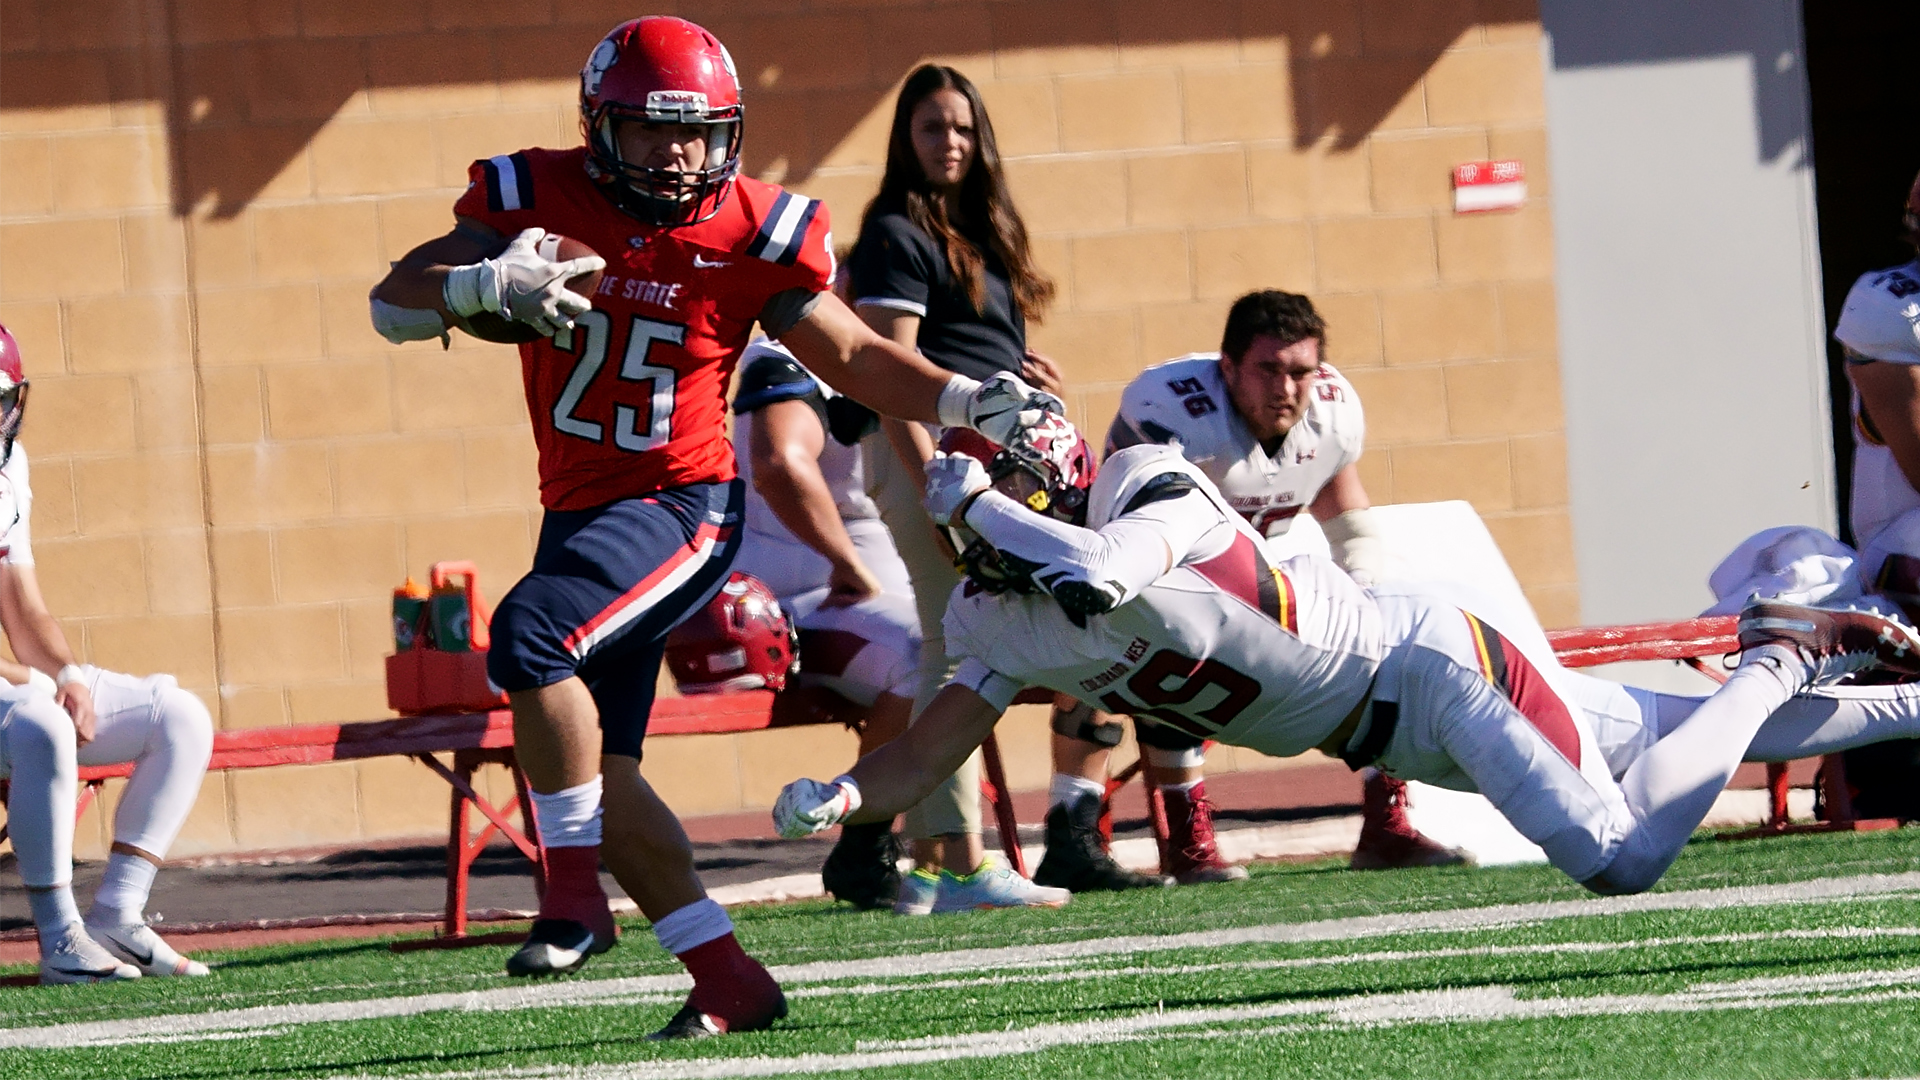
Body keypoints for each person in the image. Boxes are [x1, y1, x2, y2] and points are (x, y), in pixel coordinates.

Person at [366, 17, 1060, 1039]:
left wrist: (967, 399)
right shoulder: (534, 197)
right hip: (581, 515)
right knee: (598, 771)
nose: (676, 153)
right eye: (650, 130)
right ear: (599, 125)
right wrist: (480, 284)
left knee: (527, 637)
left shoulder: (752, 226)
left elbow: (857, 357)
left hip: (684, 505)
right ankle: (729, 979)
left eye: (697, 133)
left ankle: (568, 898)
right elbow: (393, 302)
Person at [773, 419, 1920, 899]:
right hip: (1382, 726)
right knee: (1670, 739)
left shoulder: (1146, 483)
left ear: (1042, 483)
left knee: (1618, 854)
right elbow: (927, 751)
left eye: (988, 508)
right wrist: (843, 799)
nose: (968, 536)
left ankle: (1772, 654)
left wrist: (988, 503)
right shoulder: (987, 612)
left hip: (1424, 666)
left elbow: (1102, 575)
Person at [1035, 291, 1459, 895]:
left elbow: (1349, 521)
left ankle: (1387, 824)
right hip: (1164, 584)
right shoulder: (1172, 416)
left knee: (1382, 652)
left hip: (1271, 584)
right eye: (1268, 369)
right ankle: (1182, 842)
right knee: (1172, 648)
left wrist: (1374, 609)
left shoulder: (1330, 414)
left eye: (1300, 372)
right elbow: (1133, 547)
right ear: (1227, 368)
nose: (1286, 388)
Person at [849, 63, 1079, 911]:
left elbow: (975, 357)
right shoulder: (895, 234)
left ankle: (945, 852)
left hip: (988, 464)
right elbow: (886, 376)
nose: (949, 143)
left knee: (980, 643)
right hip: (928, 461)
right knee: (957, 645)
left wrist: (1034, 382)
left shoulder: (982, 231)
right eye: (930, 128)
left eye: (961, 128)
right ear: (903, 142)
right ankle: (951, 858)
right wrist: (938, 491)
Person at [0, 323, 215, 984]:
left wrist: (65, 673)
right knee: (40, 727)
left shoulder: (10, 464)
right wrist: (34, 687)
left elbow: (21, 601)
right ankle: (59, 937)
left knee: (180, 717)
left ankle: (118, 913)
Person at [726, 336, 921, 908]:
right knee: (923, 654)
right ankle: (866, 845)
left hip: (875, 594)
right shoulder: (787, 355)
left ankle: (1057, 829)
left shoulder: (930, 359)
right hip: (797, 599)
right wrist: (848, 564)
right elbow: (780, 463)